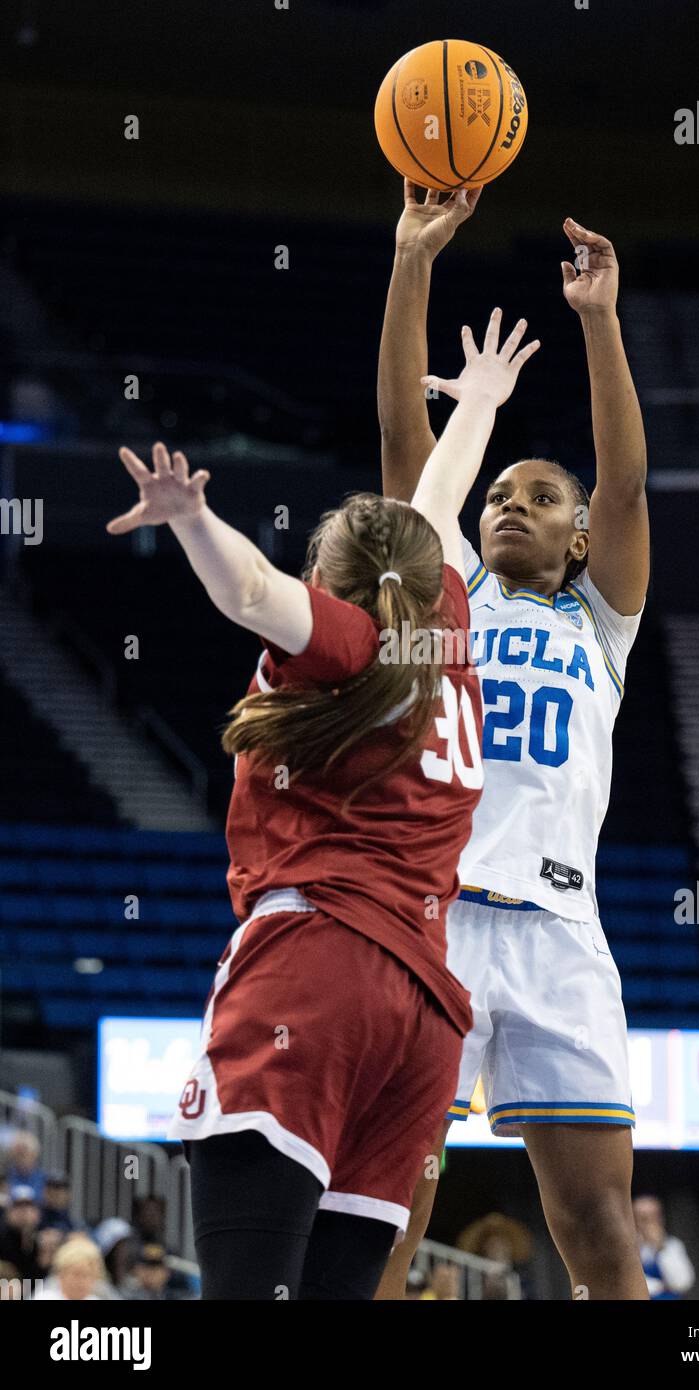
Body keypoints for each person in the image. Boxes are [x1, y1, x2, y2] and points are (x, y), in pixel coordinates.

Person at [109, 309, 539, 1301]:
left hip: (317, 972)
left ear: (333, 581)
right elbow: (435, 501)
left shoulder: (348, 640)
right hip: (425, 1022)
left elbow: (254, 592)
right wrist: (474, 402)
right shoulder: (445, 626)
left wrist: (188, 517)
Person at [375, 181, 650, 1301]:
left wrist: (598, 320)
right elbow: (406, 434)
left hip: (558, 929)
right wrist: (411, 261)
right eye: (497, 492)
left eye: (539, 497)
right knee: (394, 1199)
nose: (508, 504)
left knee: (593, 1220)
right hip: (434, 914)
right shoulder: (446, 591)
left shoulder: (601, 616)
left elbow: (624, 478)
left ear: (581, 537)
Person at [633, 1195, 696, 1299]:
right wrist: (661, 1286)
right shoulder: (629, 1251)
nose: (648, 1224)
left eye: (652, 1217)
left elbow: (682, 1283)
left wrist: (660, 1247)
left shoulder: (672, 1245)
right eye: (643, 1218)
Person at [31, 1234, 113, 1301]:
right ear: (61, 1275)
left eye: (86, 1275)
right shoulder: (45, 1298)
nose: (81, 1282)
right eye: (76, 1274)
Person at [0, 1184, 42, 1282]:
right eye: (18, 1206)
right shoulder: (2, 1236)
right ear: (8, 1212)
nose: (24, 1211)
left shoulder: (43, 1236)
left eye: (28, 1206)